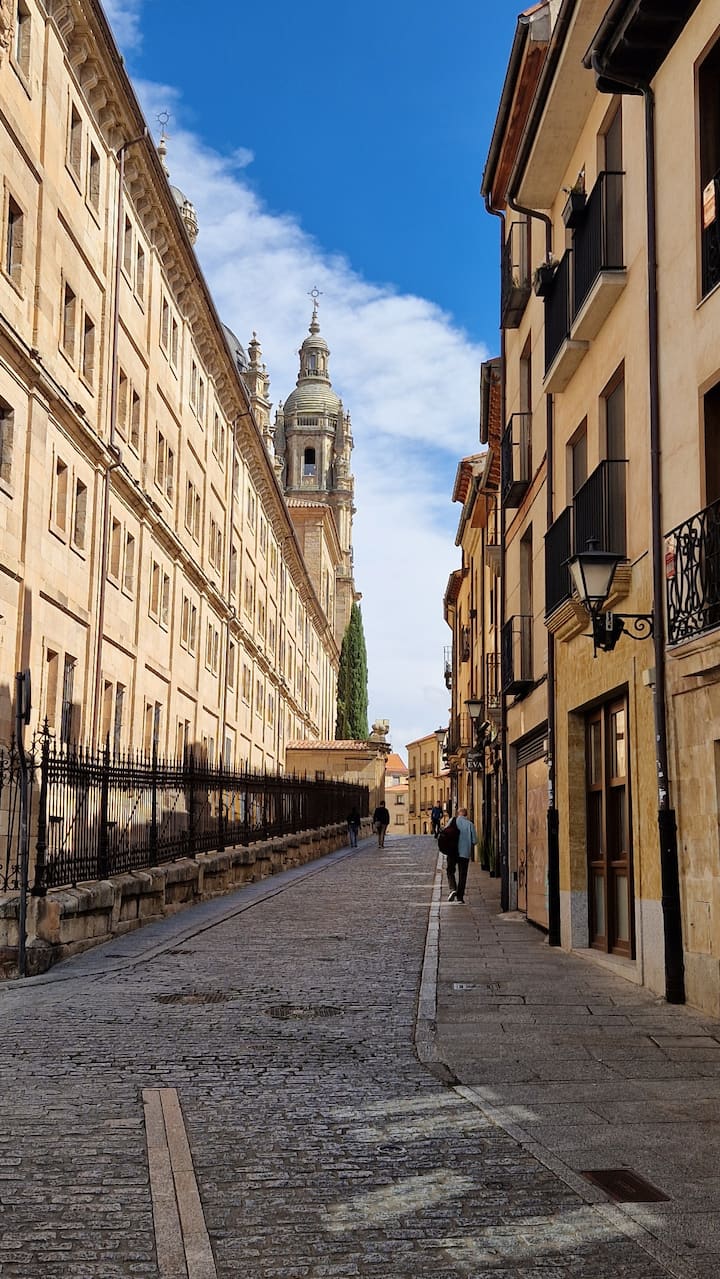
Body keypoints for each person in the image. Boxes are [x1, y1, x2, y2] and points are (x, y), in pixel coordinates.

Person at [448, 806, 477, 903]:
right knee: (462, 875)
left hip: (452, 852)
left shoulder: (452, 821)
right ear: (466, 814)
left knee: (450, 871)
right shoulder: (470, 824)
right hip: (464, 853)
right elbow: (474, 841)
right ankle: (460, 897)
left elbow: (445, 833)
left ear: (458, 814)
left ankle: (453, 888)